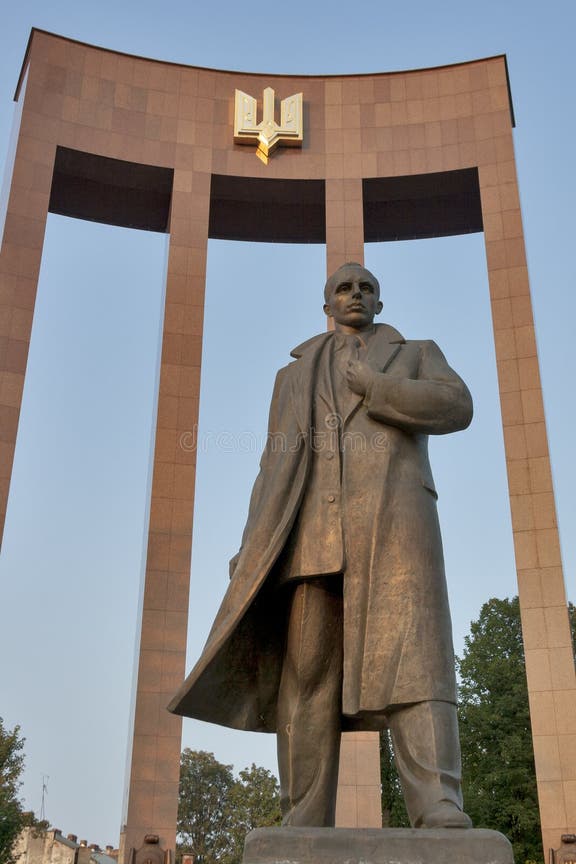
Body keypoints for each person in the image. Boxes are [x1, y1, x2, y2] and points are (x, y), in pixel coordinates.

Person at [169, 262, 473, 830]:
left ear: (380, 303)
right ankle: (304, 813)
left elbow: (457, 405)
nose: (355, 295)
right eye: (344, 288)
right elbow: (273, 462)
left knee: (416, 660)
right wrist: (252, 540)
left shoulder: (416, 353)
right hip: (313, 530)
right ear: (326, 304)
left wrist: (376, 388)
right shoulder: (294, 376)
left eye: (367, 288)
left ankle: (438, 801)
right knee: (307, 670)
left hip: (396, 521)